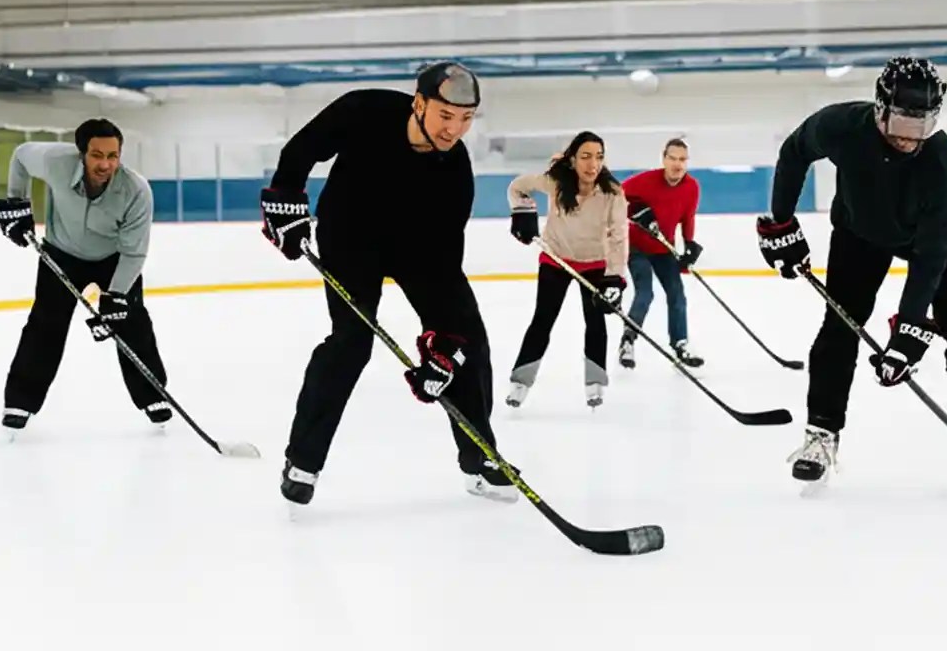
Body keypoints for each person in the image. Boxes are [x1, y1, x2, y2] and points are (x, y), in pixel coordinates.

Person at [260, 61, 516, 506]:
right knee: (351, 342)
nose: (454, 130)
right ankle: (302, 461)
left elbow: (446, 268)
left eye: (466, 119)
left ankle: (480, 456)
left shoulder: (455, 171)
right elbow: (302, 151)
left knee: (471, 342)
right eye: (445, 115)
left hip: (419, 249)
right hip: (350, 237)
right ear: (419, 103)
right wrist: (285, 202)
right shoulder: (365, 109)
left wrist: (447, 349)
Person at [756, 56, 947, 492]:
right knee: (840, 325)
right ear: (880, 107)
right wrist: (781, 223)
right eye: (903, 125)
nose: (912, 139)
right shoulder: (840, 126)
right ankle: (821, 433)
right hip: (862, 233)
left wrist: (910, 326)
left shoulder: (942, 163)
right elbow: (794, 153)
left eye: (924, 126)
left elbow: (932, 255)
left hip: (943, 238)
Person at [0, 118, 172, 436]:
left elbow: (134, 253)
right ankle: (20, 401)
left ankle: (153, 396)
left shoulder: (135, 190)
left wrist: (115, 296)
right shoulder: (54, 162)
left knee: (132, 322)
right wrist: (16, 201)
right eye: (97, 155)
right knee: (45, 326)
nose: (106, 164)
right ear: (81, 153)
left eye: (113, 156)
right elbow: (20, 155)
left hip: (114, 258)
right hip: (61, 253)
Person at [505, 131, 628, 409]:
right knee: (542, 321)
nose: (592, 164)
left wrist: (615, 278)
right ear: (572, 160)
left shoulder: (612, 192)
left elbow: (619, 236)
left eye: (598, 157)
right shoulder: (555, 182)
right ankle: (520, 383)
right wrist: (522, 213)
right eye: (585, 157)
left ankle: (595, 383)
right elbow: (517, 187)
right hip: (556, 259)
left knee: (596, 325)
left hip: (595, 264)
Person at [618, 138, 704, 369]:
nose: (677, 164)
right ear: (664, 159)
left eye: (682, 159)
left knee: (677, 295)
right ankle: (628, 340)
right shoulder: (644, 181)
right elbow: (615, 197)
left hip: (663, 248)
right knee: (645, 293)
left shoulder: (691, 187)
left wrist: (689, 244)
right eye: (673, 158)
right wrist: (634, 209)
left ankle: (680, 344)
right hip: (636, 247)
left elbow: (688, 217)